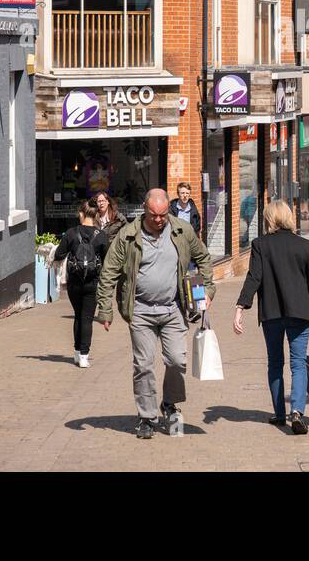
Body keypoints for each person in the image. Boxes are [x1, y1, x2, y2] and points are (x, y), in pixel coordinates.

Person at [96, 188, 214, 440]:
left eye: (163, 215)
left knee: (176, 361)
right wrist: (105, 309)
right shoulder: (128, 236)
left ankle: (169, 403)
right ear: (144, 209)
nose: (159, 219)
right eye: (154, 215)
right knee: (144, 365)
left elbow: (203, 257)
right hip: (140, 310)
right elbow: (109, 273)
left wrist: (207, 290)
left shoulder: (182, 230)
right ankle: (147, 417)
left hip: (174, 308)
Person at [233, 200, 309, 435]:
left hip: (272, 313)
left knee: (275, 363)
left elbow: (254, 277)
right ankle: (296, 411)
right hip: (299, 313)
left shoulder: (260, 244)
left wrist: (241, 306)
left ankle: (279, 413)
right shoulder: (305, 245)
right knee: (298, 364)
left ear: (268, 220)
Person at [54, 199, 110, 367]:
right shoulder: (101, 236)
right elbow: (108, 261)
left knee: (78, 315)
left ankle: (77, 352)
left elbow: (59, 254)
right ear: (95, 215)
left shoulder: (71, 233)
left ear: (81, 213)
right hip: (92, 282)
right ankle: (84, 355)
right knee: (87, 318)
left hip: (74, 283)